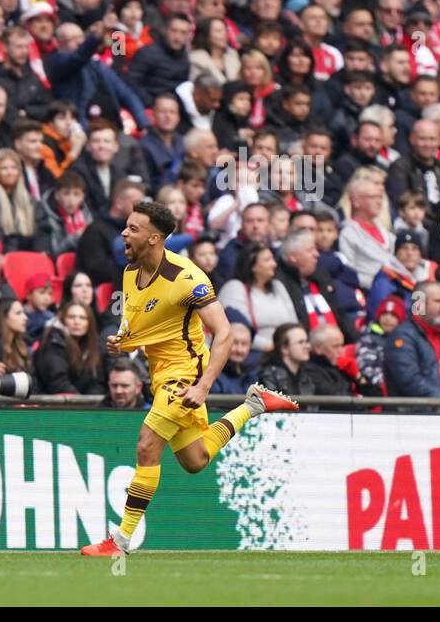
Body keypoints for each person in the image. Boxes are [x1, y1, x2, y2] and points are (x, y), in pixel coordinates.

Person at [80, 200, 299, 556]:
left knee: (147, 443)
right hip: (159, 372)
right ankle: (254, 405)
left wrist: (203, 386)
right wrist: (124, 340)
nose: (124, 232)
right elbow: (142, 319)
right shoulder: (130, 271)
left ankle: (120, 541)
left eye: (133, 229)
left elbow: (225, 333)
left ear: (154, 238)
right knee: (195, 460)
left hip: (185, 374)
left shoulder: (187, 278)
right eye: (126, 226)